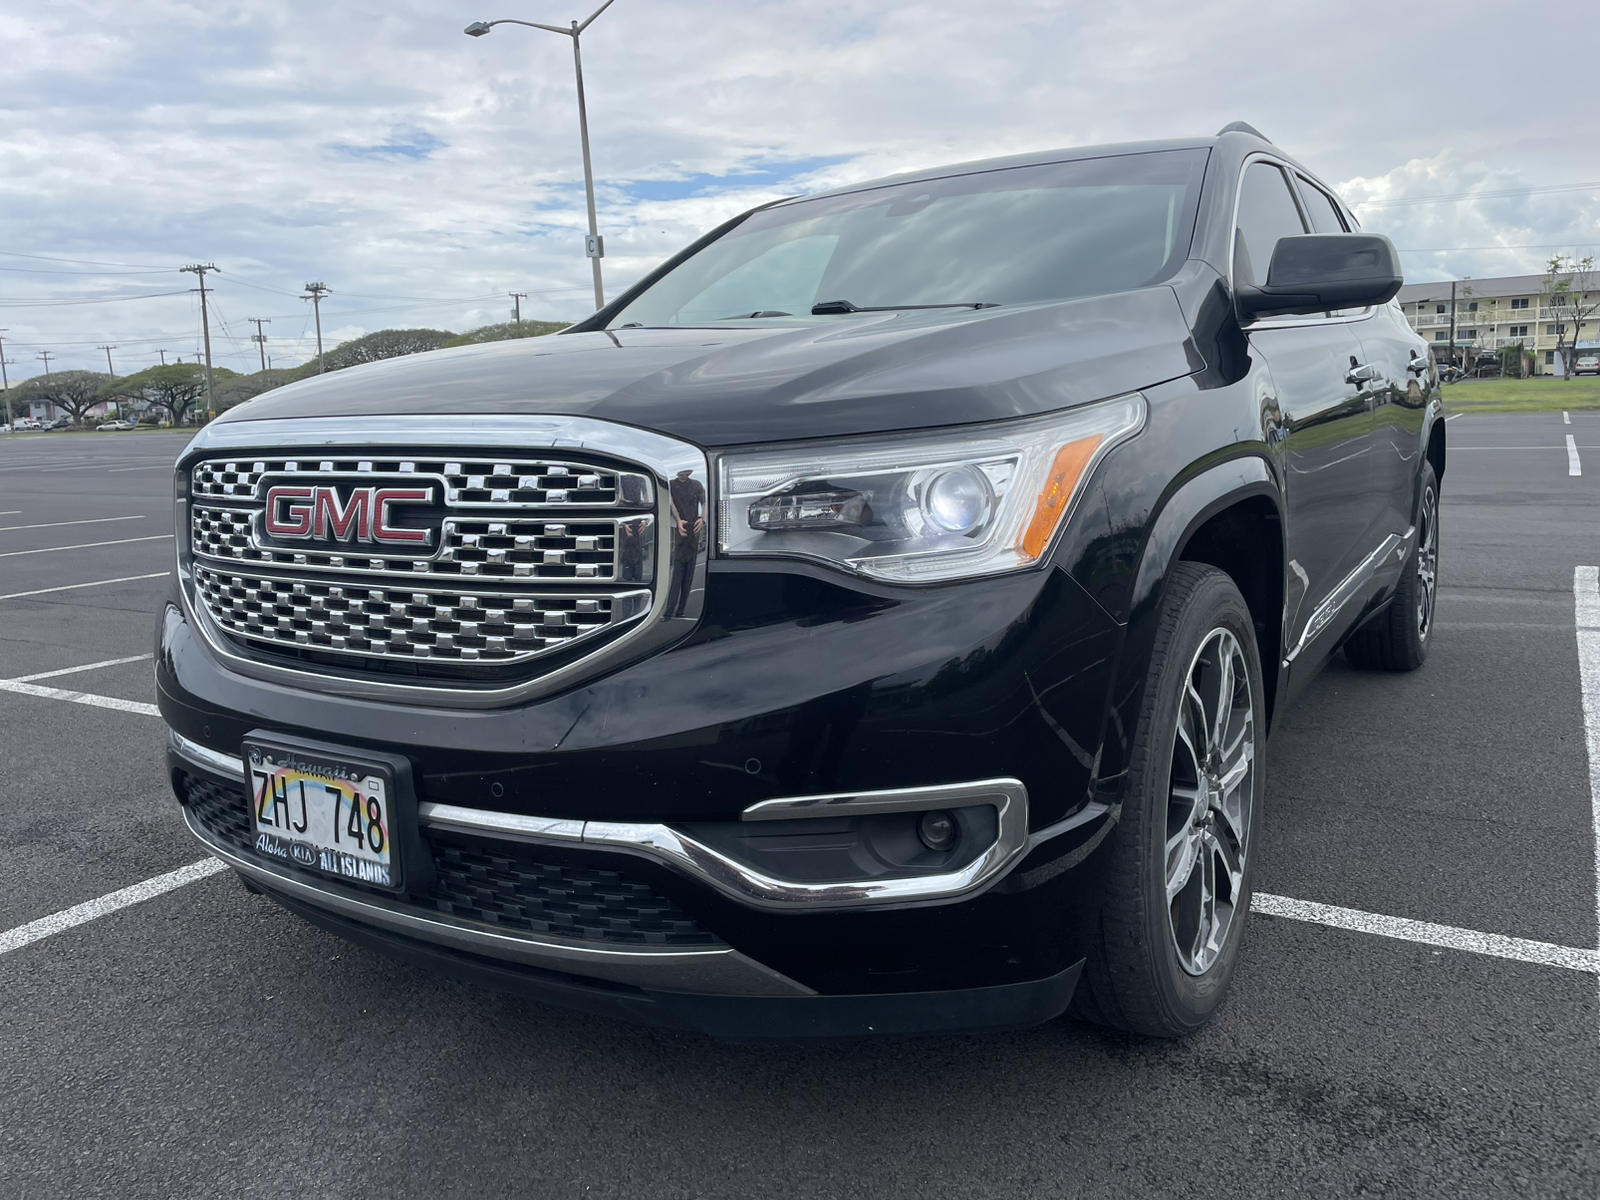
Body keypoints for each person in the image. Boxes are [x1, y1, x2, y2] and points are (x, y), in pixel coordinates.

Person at [667, 468, 704, 617]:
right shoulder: (670, 485)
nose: (684, 475)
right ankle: (669, 611)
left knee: (688, 576)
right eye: (682, 473)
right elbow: (671, 504)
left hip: (693, 530)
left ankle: (681, 610)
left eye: (687, 473)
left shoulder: (696, 484)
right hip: (678, 531)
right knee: (677, 574)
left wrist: (702, 518)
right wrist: (677, 521)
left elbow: (704, 503)